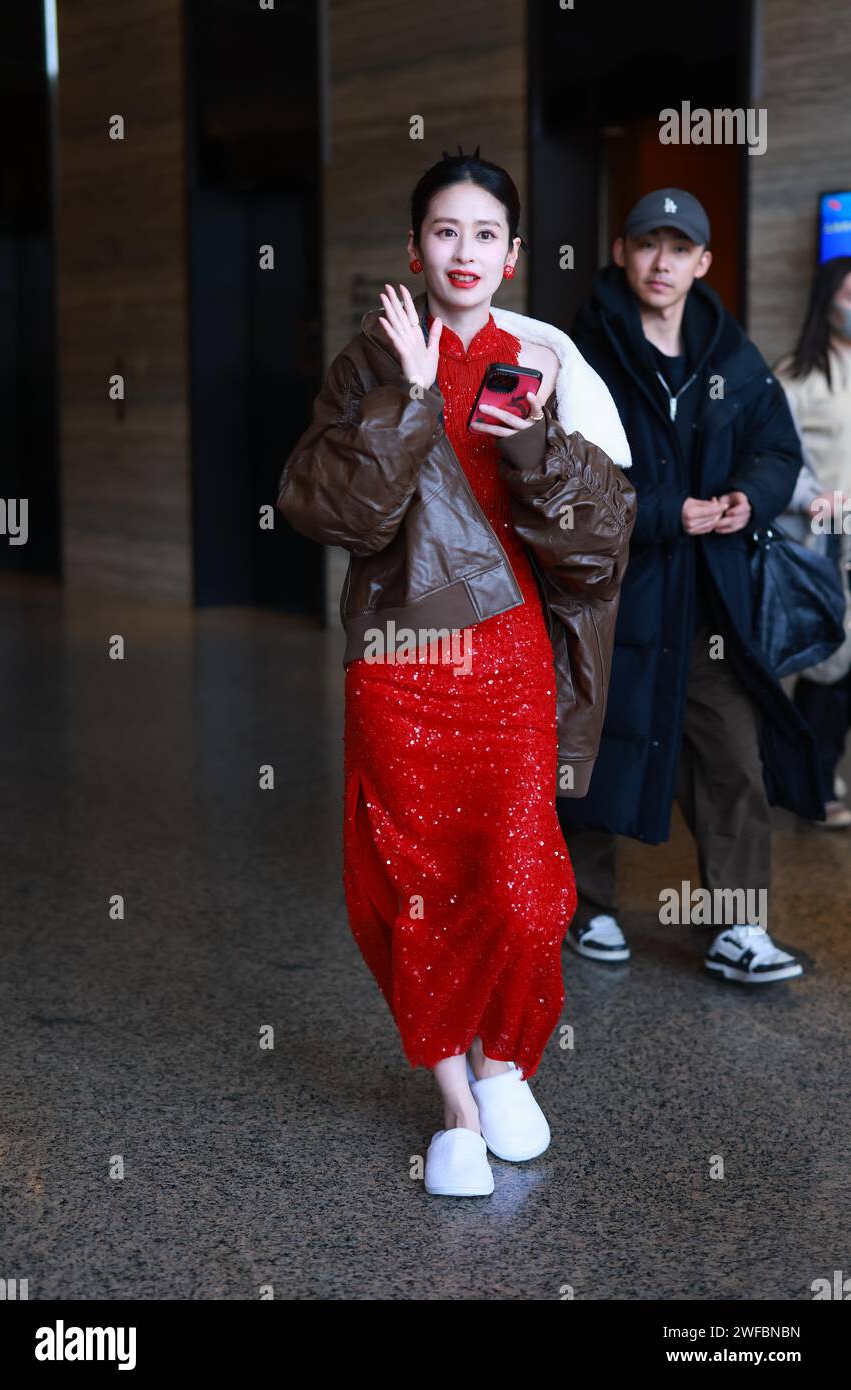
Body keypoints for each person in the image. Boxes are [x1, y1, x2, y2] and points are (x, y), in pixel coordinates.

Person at [277, 149, 636, 1196]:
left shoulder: (549, 359)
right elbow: (331, 511)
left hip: (514, 659)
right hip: (402, 661)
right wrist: (414, 393)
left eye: (485, 234)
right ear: (412, 247)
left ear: (514, 254)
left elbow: (600, 541)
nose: (463, 251)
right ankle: (459, 1106)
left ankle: (507, 1055)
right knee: (418, 887)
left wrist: (532, 445)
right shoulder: (366, 362)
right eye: (443, 231)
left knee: (523, 888)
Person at [556, 187, 824, 984]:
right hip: (617, 595)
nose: (662, 262)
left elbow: (779, 449)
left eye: (679, 249)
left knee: (732, 759)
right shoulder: (584, 352)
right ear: (621, 252)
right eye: (647, 245)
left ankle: (737, 926)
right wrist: (671, 510)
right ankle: (588, 907)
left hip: (710, 601)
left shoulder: (729, 353)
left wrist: (753, 496)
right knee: (598, 747)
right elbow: (563, 474)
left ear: (703, 263)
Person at [774, 255, 851, 829]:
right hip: (821, 541)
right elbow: (780, 462)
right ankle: (812, 784)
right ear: (827, 301)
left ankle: (817, 773)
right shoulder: (794, 379)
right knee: (827, 663)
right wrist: (814, 500)